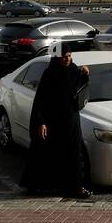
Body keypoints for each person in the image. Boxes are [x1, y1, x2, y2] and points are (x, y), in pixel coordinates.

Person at [20, 50, 92, 200]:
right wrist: (41, 122)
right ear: (58, 58)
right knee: (45, 153)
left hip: (71, 121)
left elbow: (79, 90)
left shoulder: (73, 70)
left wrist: (85, 74)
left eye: (70, 56)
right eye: (64, 57)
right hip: (52, 121)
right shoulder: (50, 74)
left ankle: (75, 187)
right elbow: (40, 99)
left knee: (73, 153)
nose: (67, 59)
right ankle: (35, 185)